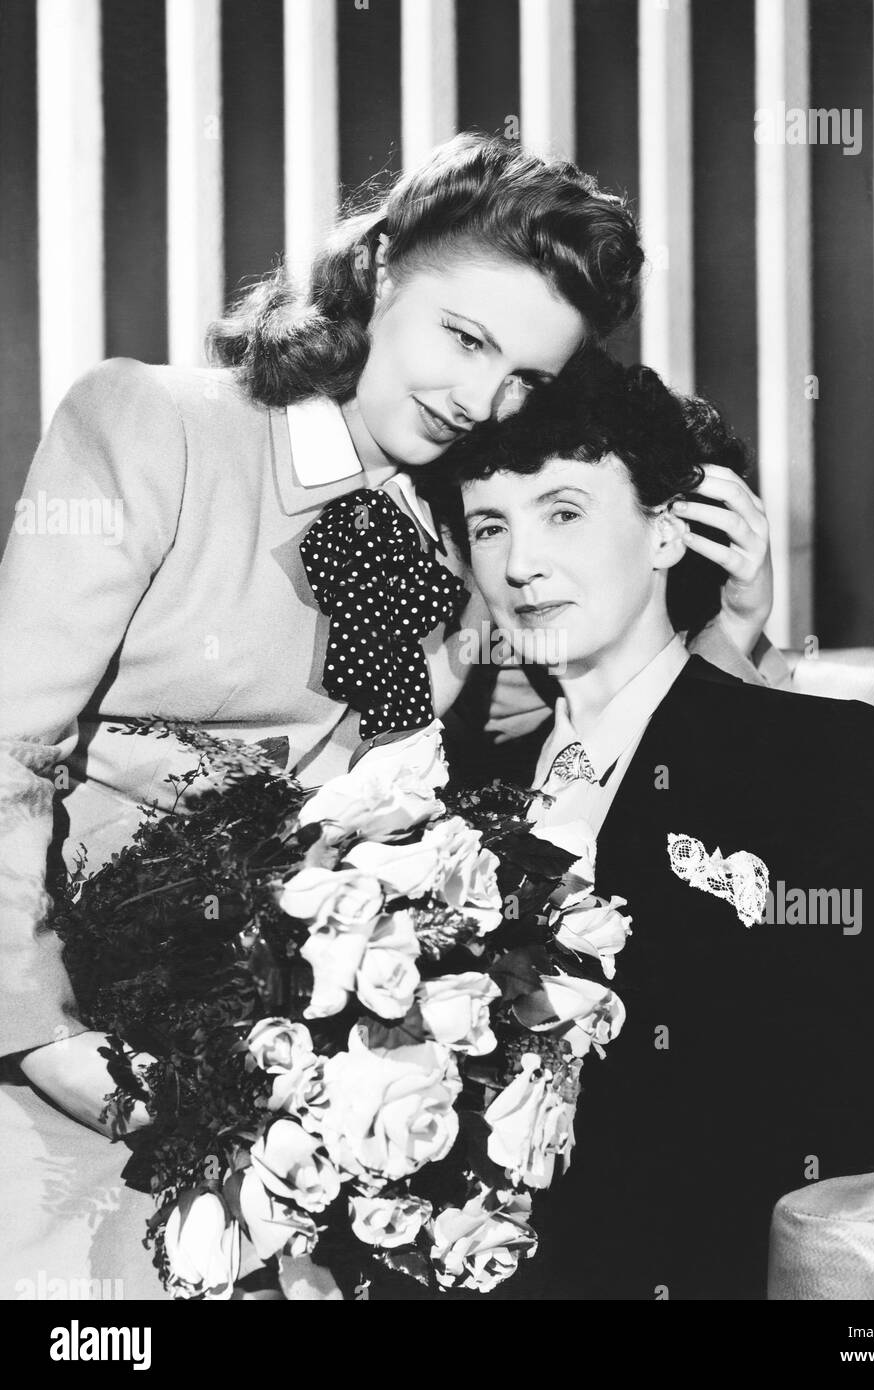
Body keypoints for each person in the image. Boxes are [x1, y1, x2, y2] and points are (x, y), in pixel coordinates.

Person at [0, 133, 777, 1300]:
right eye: (463, 340)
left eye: (521, 379)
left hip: (299, 1075)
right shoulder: (151, 423)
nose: (479, 400)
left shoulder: (466, 549)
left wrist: (732, 632)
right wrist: (46, 1037)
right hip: (52, 1032)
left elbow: (577, 745)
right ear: (375, 275)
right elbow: (11, 748)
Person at [442, 347, 874, 1300]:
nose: (520, 563)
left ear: (666, 534)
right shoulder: (464, 780)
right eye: (488, 527)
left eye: (564, 512)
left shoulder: (812, 753)